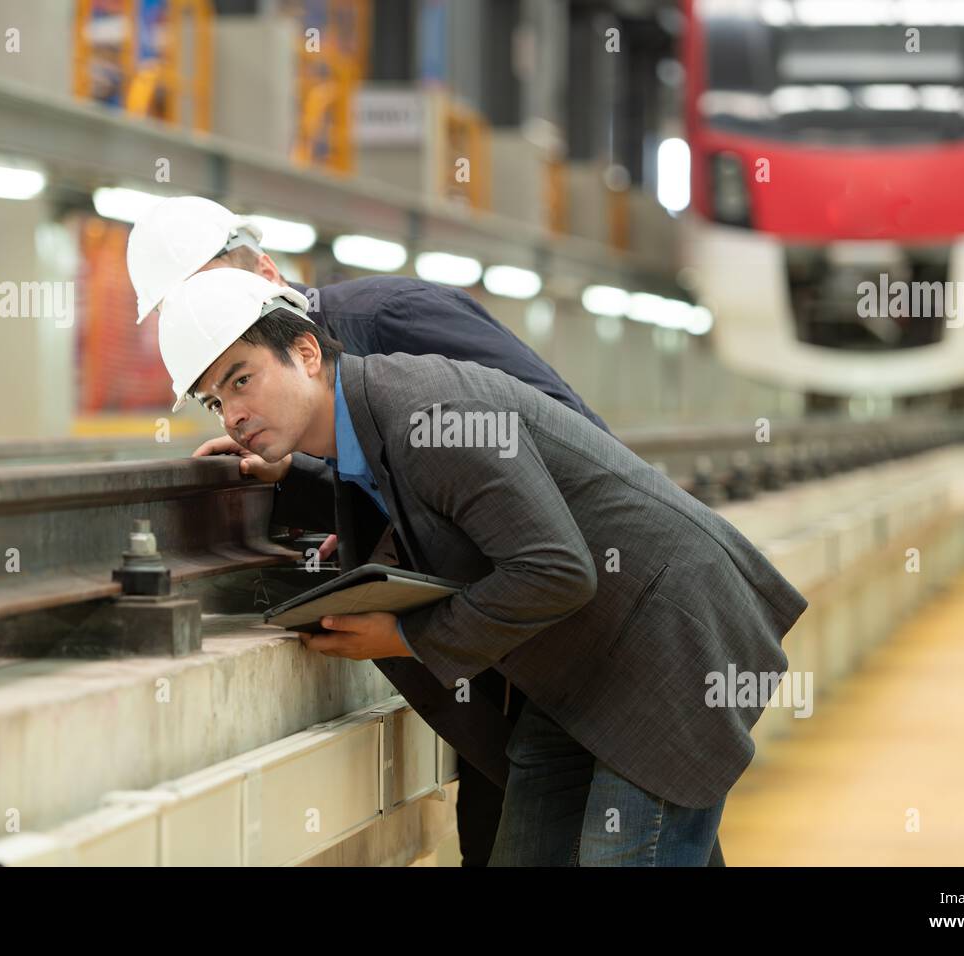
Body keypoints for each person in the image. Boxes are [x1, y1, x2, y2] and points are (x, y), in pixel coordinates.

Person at [127, 195, 727, 866]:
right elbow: (422, 487)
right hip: (551, 638)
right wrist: (315, 492)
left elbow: (540, 445)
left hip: (634, 623)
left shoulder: (395, 337)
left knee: (630, 841)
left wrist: (410, 629)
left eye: (240, 378)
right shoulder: (338, 404)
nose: (233, 412)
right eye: (217, 399)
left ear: (266, 282)